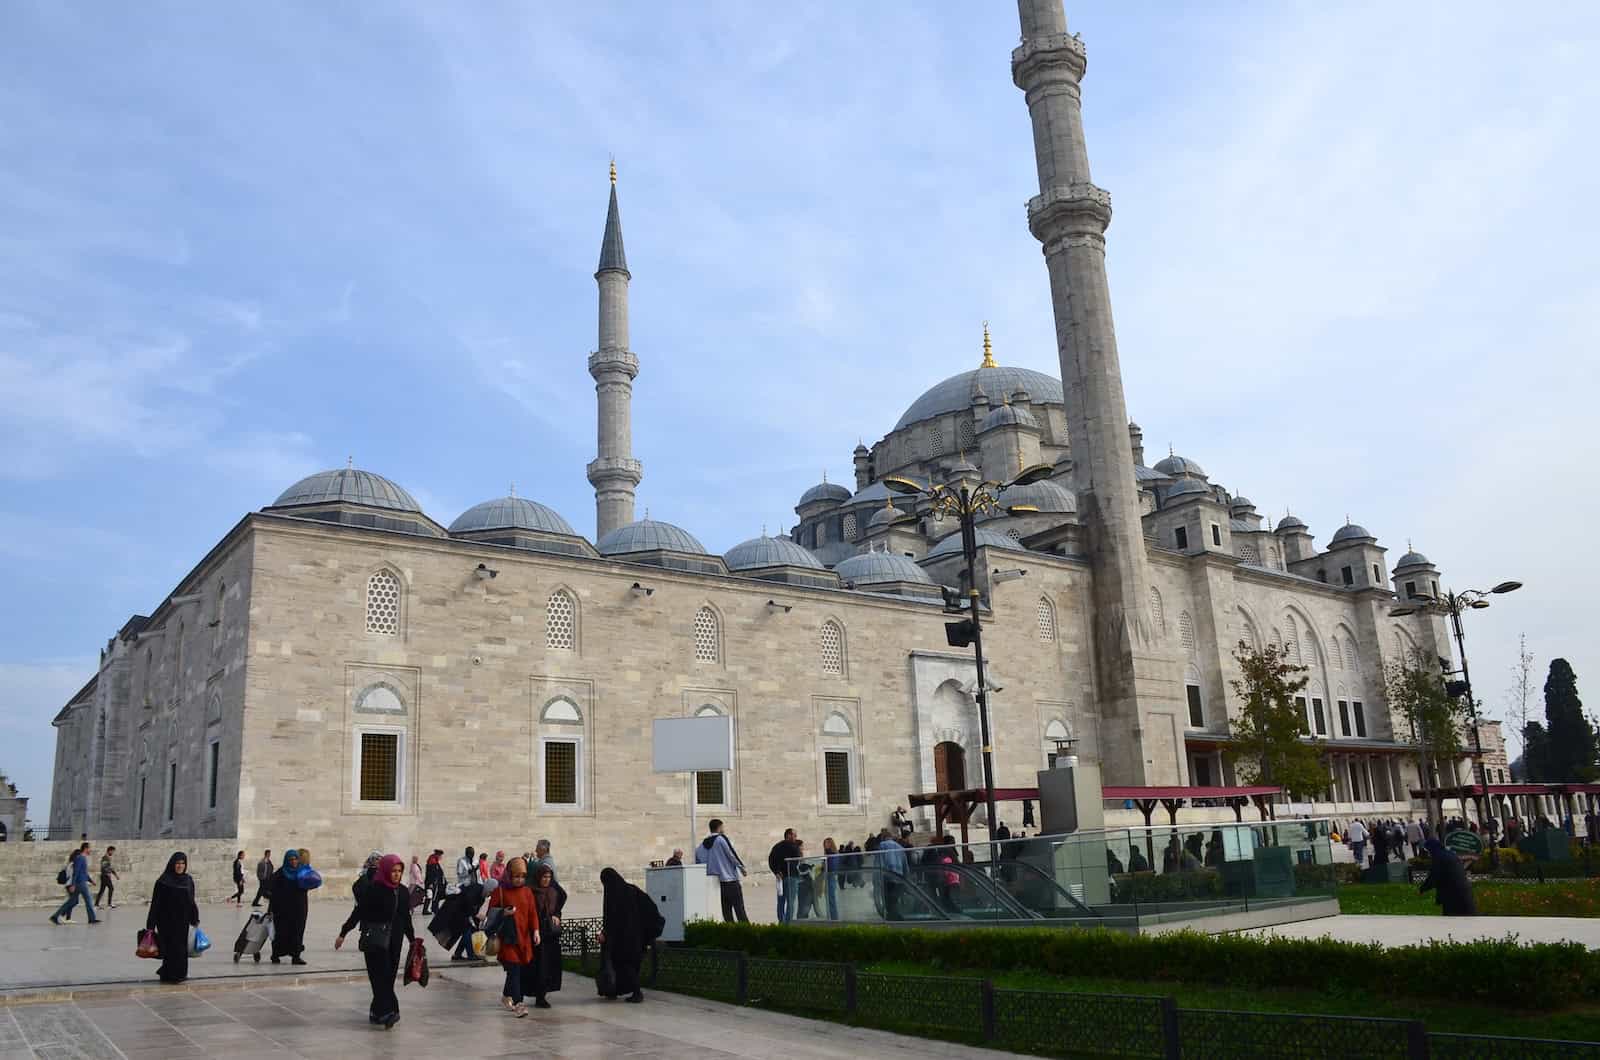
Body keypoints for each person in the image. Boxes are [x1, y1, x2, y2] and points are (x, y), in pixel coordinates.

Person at [336, 854, 414, 1029]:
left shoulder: (402, 891)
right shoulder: (374, 889)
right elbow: (359, 912)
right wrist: (344, 932)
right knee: (380, 978)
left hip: (395, 940)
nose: (396, 874)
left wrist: (412, 939)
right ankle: (390, 1012)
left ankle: (376, 1012)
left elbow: (405, 917)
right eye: (393, 871)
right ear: (385, 870)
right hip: (376, 941)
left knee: (389, 978)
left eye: (399, 871)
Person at [598, 867, 664, 1003]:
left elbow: (612, 919)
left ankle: (636, 992)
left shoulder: (613, 895)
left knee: (625, 965)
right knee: (629, 965)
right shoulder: (632, 890)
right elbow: (649, 907)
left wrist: (606, 933)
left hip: (622, 939)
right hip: (635, 938)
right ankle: (615, 990)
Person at [487, 857, 540, 1017]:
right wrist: (504, 913)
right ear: (509, 875)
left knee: (515, 971)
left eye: (522, 876)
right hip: (507, 939)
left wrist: (536, 931)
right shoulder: (501, 891)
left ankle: (506, 996)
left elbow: (532, 913)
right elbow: (491, 913)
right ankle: (519, 1004)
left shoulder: (527, 891)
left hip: (523, 938)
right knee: (515, 969)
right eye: (516, 876)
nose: (519, 880)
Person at [146, 852, 200, 984]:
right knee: (170, 948)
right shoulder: (163, 881)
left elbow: (192, 900)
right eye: (177, 863)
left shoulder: (188, 880)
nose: (180, 866)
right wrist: (151, 925)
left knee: (181, 948)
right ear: (172, 864)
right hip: (166, 921)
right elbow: (156, 903)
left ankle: (180, 974)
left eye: (183, 863)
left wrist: (195, 917)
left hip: (182, 920)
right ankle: (168, 974)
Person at [524, 862, 566, 1008]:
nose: (546, 880)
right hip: (537, 934)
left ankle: (543, 994)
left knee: (549, 966)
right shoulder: (532, 891)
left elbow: (560, 901)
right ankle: (538, 995)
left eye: (549, 877)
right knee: (539, 966)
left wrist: (556, 914)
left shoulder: (553, 891)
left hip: (550, 936)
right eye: (544, 877)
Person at [694, 819, 749, 922]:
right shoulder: (721, 839)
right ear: (719, 828)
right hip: (730, 880)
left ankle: (729, 933)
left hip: (717, 883)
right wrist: (741, 867)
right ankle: (747, 934)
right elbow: (731, 854)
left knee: (726, 913)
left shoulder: (701, 846)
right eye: (723, 827)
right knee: (740, 911)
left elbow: (698, 859)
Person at [267, 848, 309, 965]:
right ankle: (275, 955)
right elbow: (270, 889)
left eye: (296, 859)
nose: (294, 861)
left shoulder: (301, 873)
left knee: (297, 931)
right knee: (281, 932)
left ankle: (296, 956)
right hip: (282, 909)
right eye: (291, 859)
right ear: (286, 860)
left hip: (299, 908)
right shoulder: (280, 874)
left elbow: (309, 884)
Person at [1419, 838, 1476, 916]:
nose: (1428, 853)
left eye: (1428, 850)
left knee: (1451, 921)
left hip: (1452, 895)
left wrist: (1422, 889)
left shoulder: (1438, 858)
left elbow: (1434, 877)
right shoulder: (1450, 854)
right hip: (1464, 890)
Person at [50, 843, 98, 926]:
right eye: (89, 848)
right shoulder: (80, 858)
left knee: (72, 901)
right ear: (86, 848)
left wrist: (91, 881)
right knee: (88, 900)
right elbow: (76, 872)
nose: (90, 850)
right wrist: (73, 884)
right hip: (80, 883)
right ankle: (91, 919)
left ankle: (55, 916)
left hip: (80, 882)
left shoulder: (82, 858)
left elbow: (84, 873)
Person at [768, 828, 802, 923]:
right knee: (791, 902)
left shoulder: (777, 846)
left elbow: (771, 861)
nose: (796, 838)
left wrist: (776, 872)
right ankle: (788, 923)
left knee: (781, 901)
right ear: (789, 835)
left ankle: (781, 921)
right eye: (794, 835)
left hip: (780, 877)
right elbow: (798, 859)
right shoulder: (793, 846)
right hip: (791, 877)